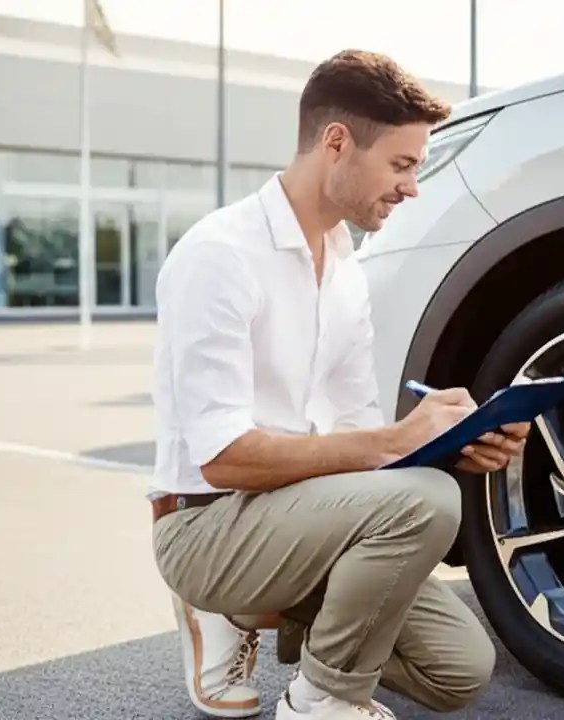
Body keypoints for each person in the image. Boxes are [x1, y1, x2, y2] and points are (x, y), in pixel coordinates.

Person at [148, 49, 529, 720]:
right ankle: (322, 699)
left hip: (303, 517)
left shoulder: (347, 272)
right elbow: (224, 456)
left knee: (460, 671)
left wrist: (448, 442)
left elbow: (357, 442)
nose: (412, 187)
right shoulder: (220, 255)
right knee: (426, 503)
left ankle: (263, 606)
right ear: (337, 143)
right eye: (402, 165)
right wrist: (395, 443)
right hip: (205, 526)